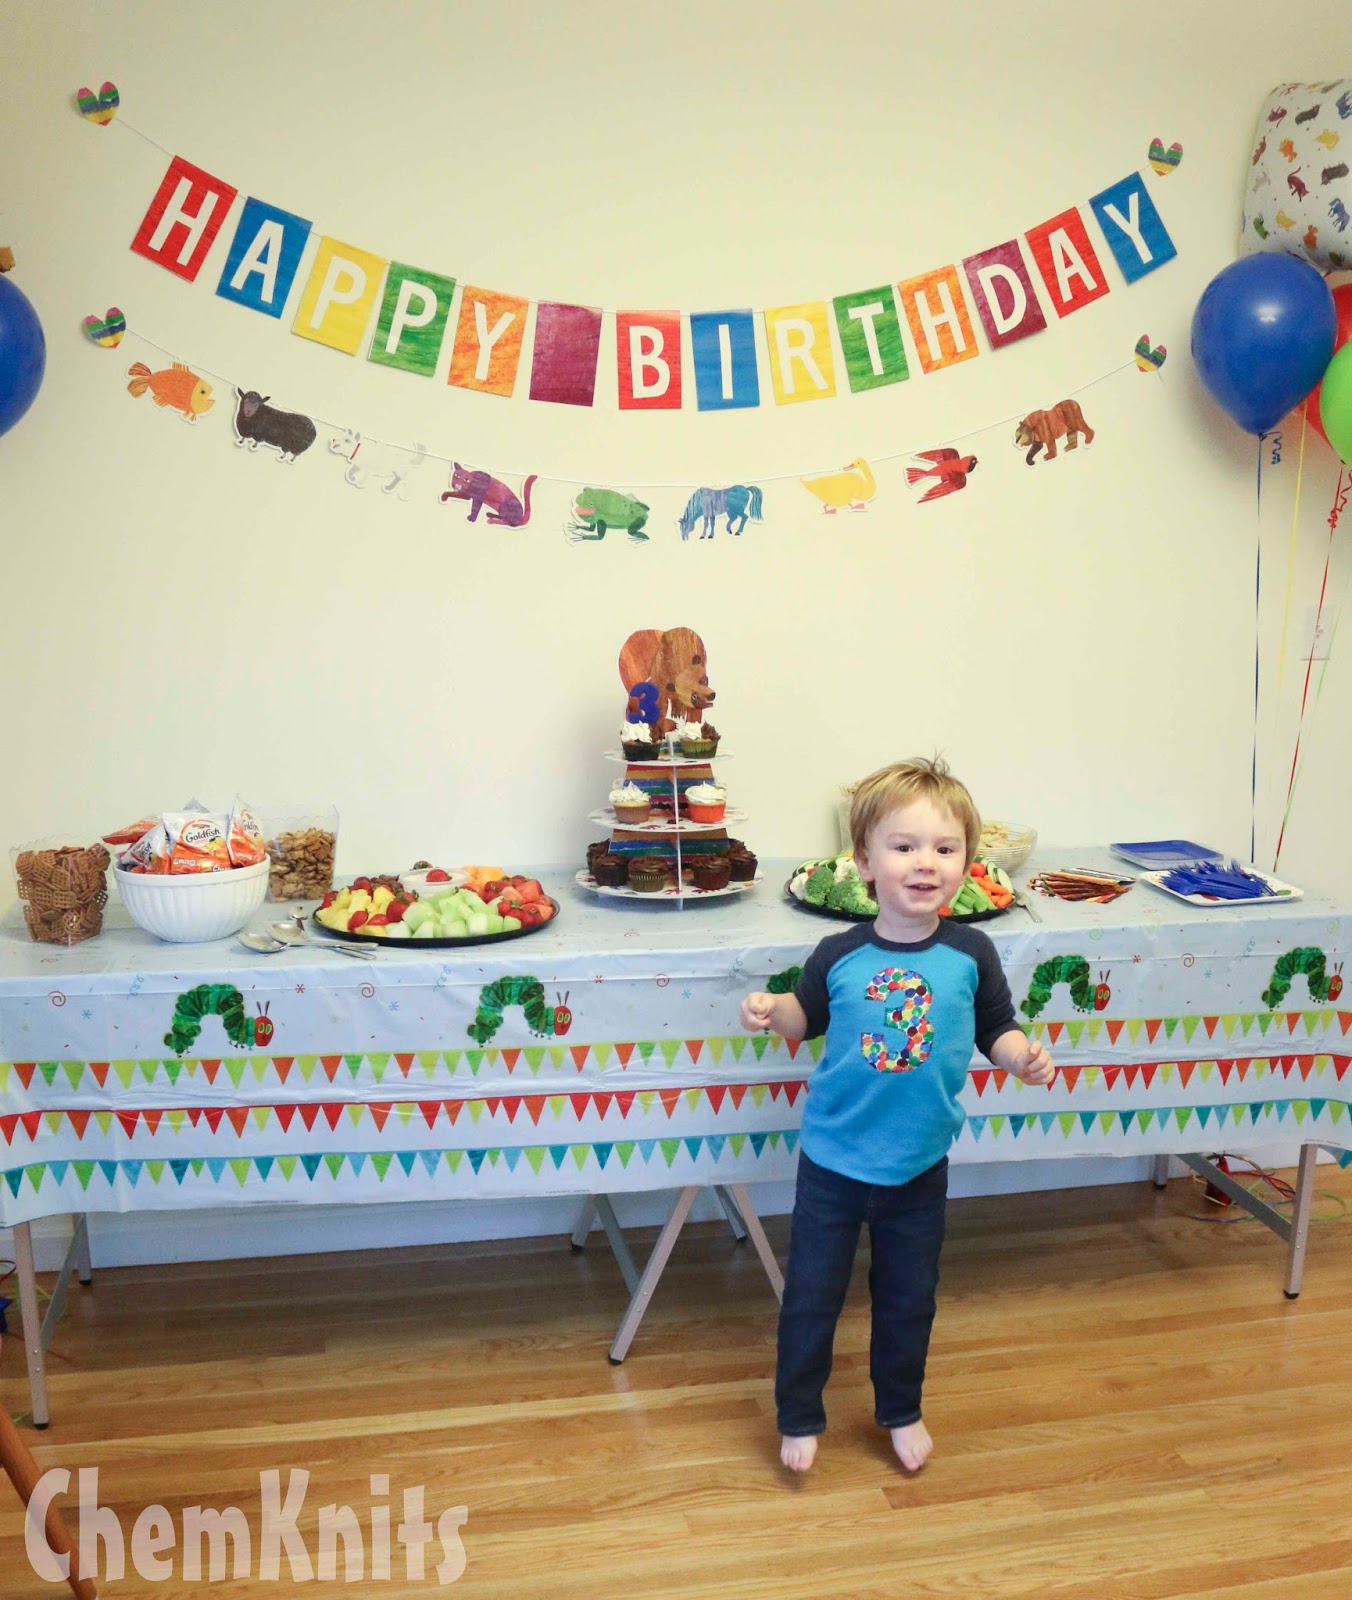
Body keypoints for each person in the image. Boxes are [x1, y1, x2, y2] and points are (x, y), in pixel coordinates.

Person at [740, 757, 1054, 1474]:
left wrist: (1019, 1057)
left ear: (968, 865)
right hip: (833, 1163)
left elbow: (995, 1028)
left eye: (945, 849)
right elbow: (801, 1019)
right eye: (905, 847)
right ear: (865, 862)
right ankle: (798, 1413)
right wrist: (771, 1011)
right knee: (812, 1298)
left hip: (919, 1164)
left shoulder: (972, 953)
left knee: (909, 1300)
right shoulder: (838, 954)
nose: (925, 864)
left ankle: (901, 1408)